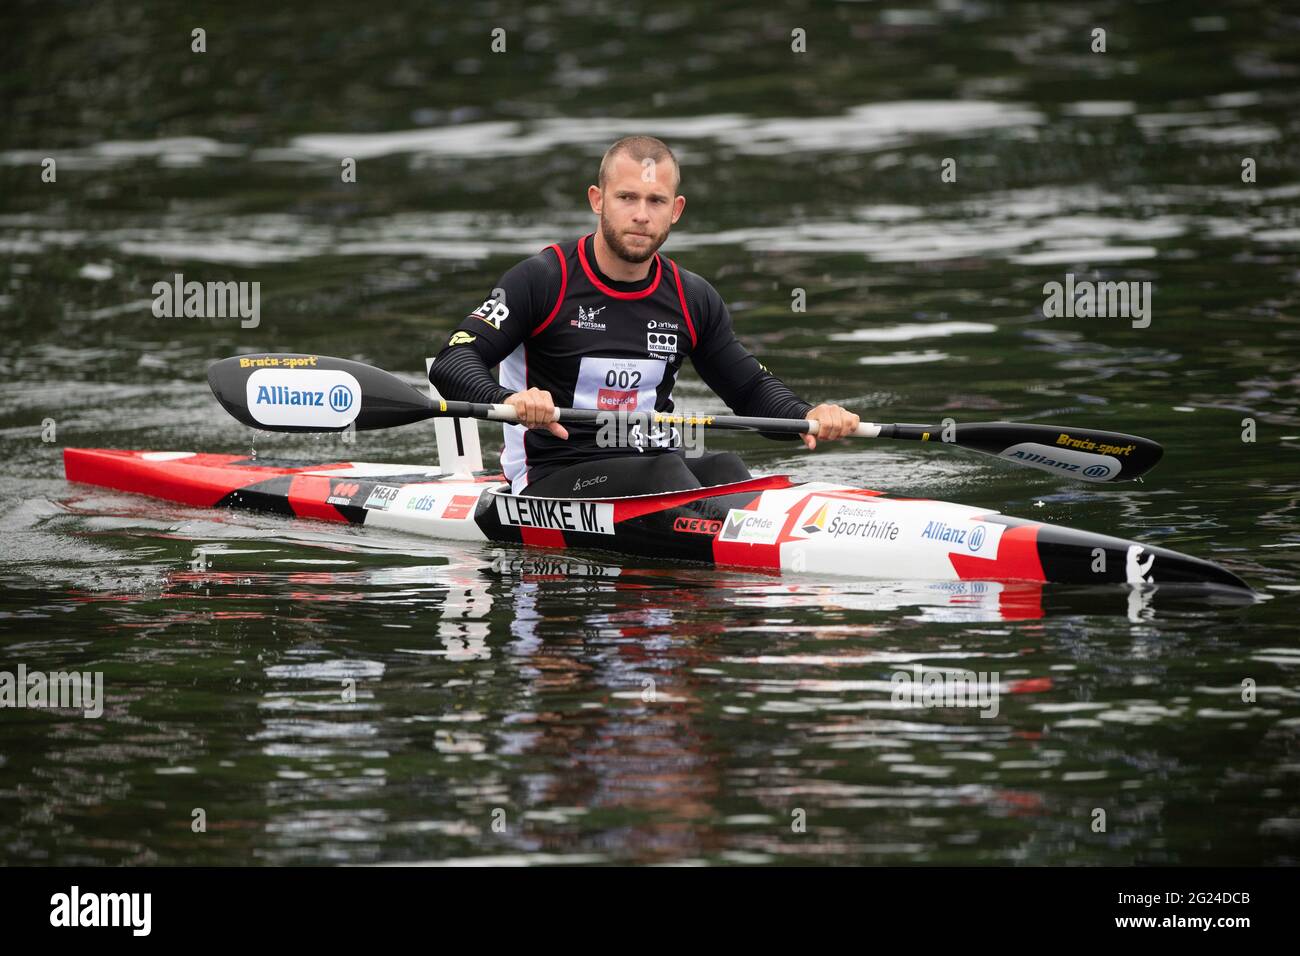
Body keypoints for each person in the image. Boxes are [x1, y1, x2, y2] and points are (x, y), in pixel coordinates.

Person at [431, 135, 860, 497]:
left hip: (652, 467)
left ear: (675, 210)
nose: (641, 214)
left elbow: (748, 388)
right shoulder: (542, 279)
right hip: (553, 475)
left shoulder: (692, 298)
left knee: (725, 469)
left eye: (656, 200)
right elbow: (453, 362)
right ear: (597, 201)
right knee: (666, 475)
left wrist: (808, 415)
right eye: (627, 198)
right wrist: (509, 400)